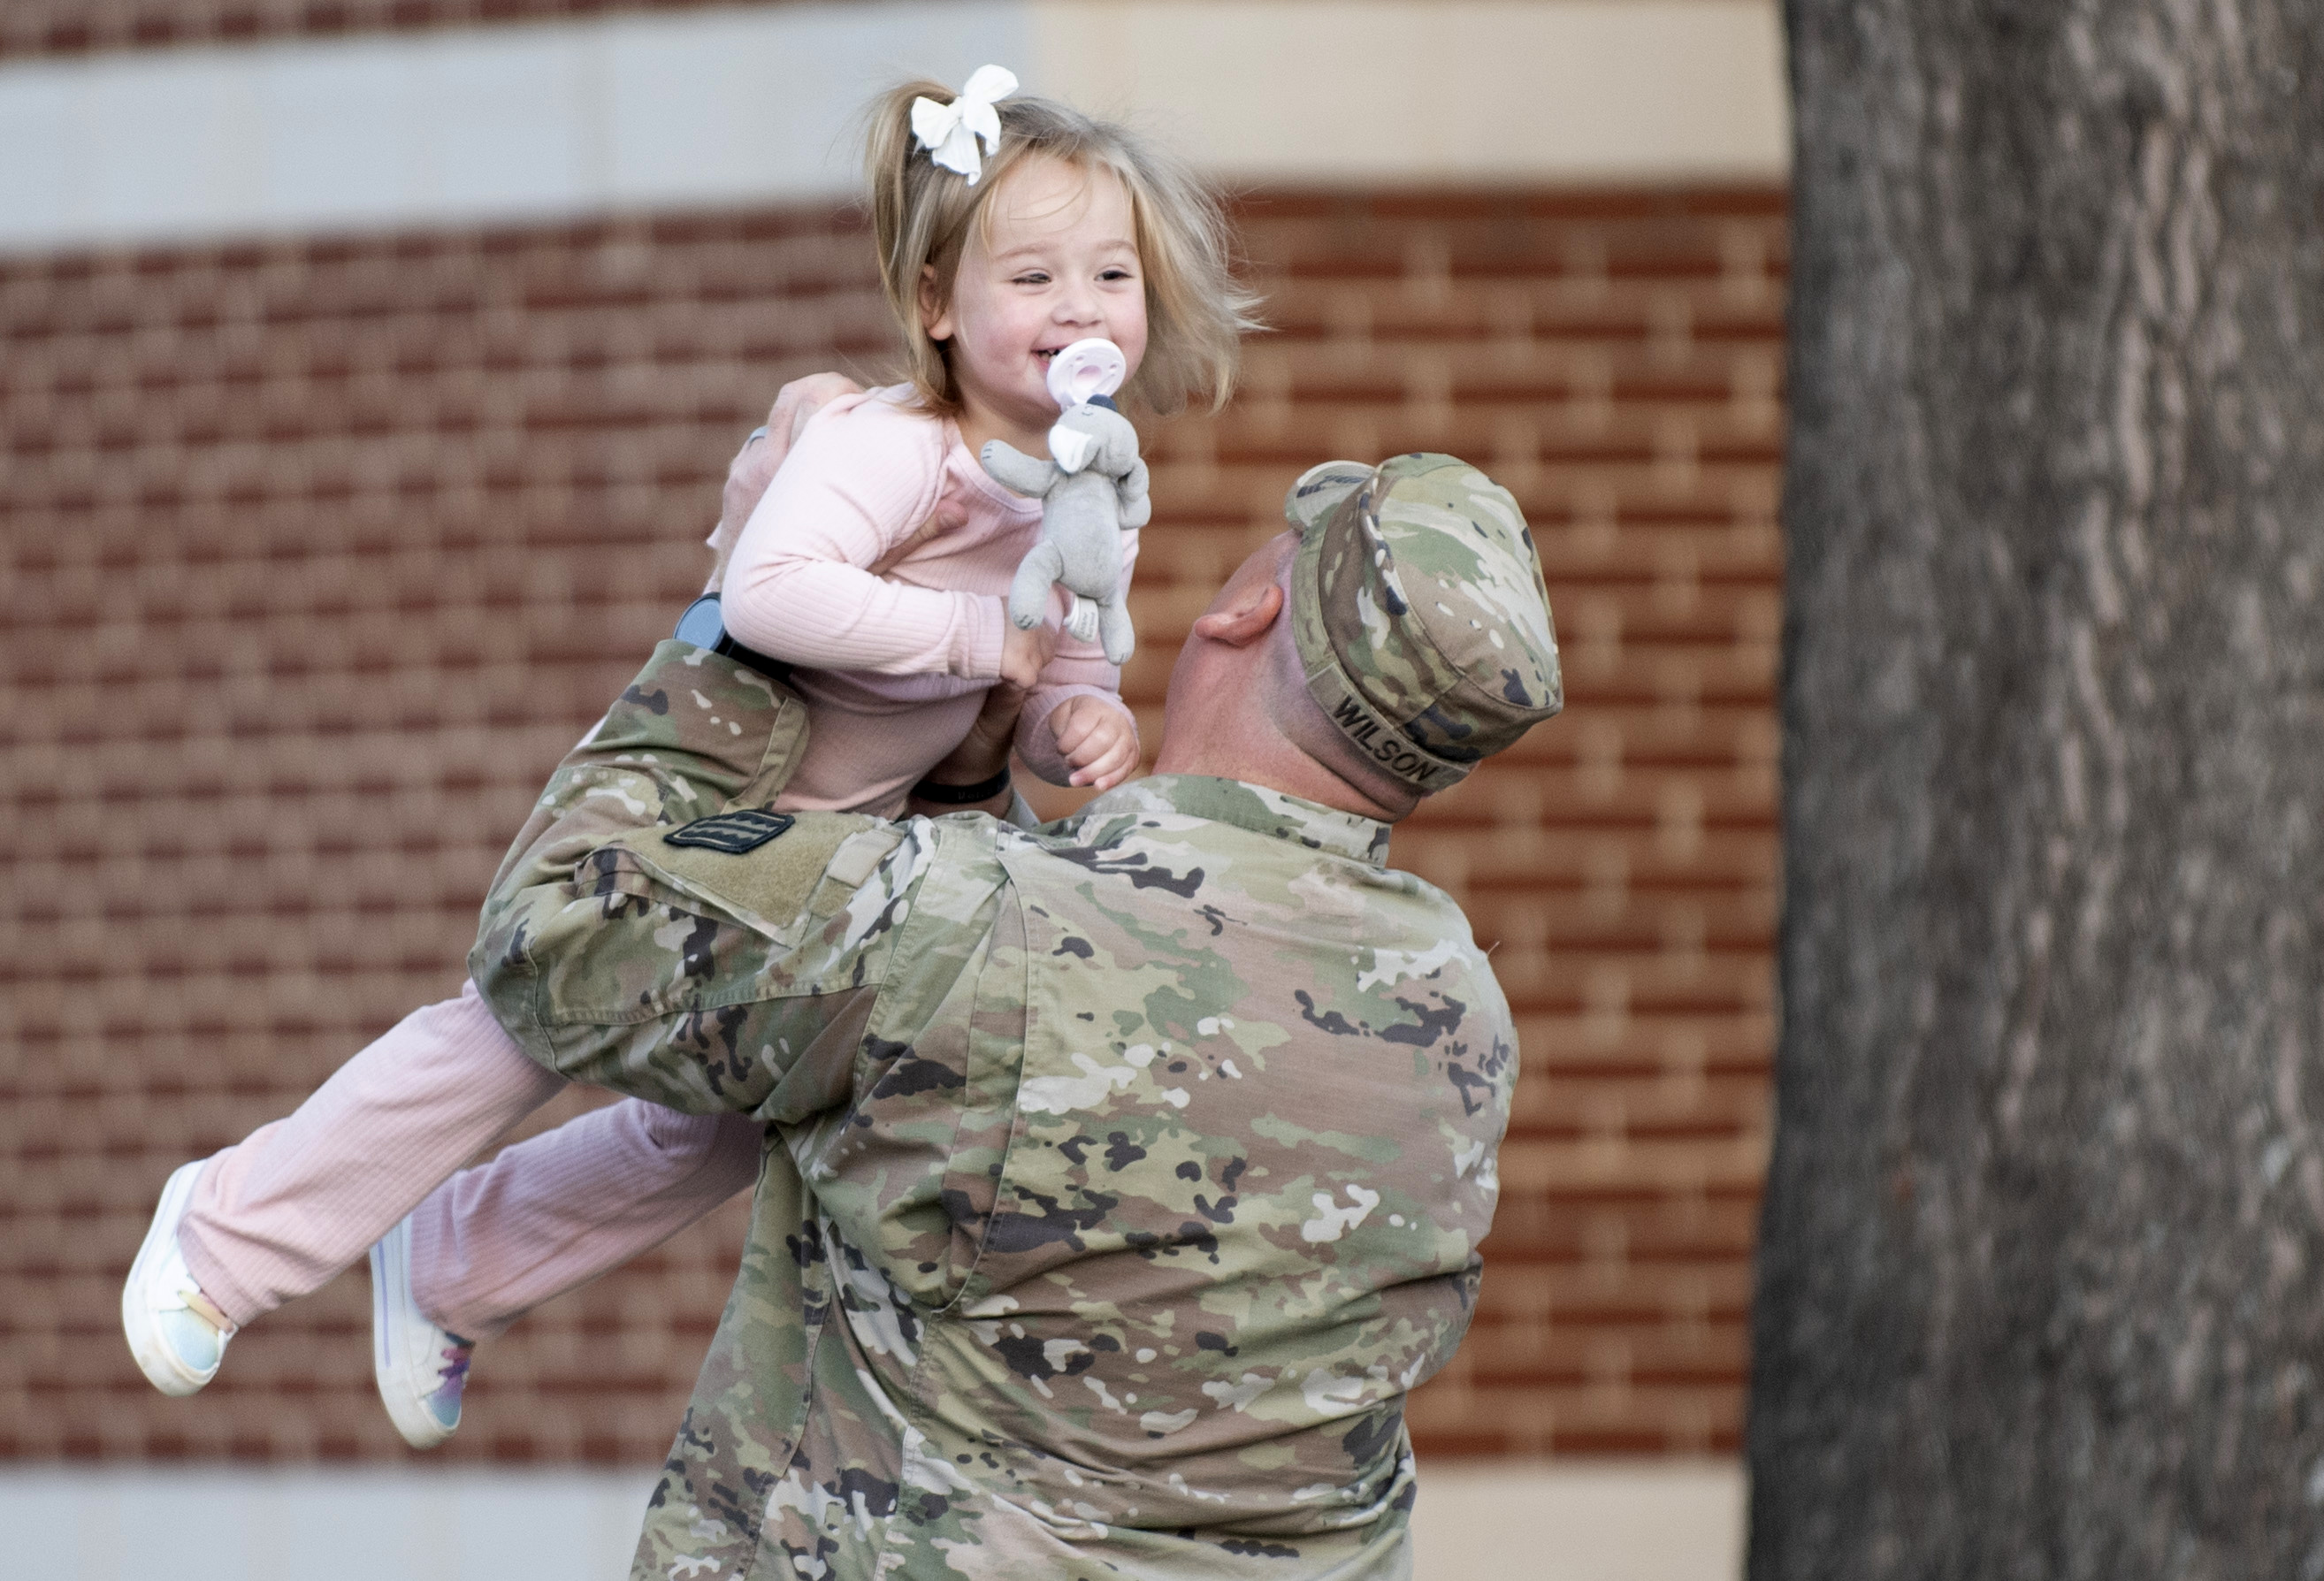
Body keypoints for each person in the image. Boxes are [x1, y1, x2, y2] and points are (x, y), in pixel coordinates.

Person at [121, 68, 1258, 1449]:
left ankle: (453, 1265)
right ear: (938, 308)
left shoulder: (1093, 491)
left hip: (824, 851)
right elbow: (776, 593)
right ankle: (233, 1230)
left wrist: (1087, 728)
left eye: (1108, 274)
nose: (1080, 307)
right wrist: (976, 636)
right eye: (1034, 275)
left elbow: (1063, 674)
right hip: (696, 785)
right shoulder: (892, 446)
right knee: (529, 1010)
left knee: (735, 1117)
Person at [464, 449, 1562, 1577]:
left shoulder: (964, 921)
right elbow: (1114, 1019)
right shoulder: (1456, 1008)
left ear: (1247, 608)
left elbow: (542, 937)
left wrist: (741, 630)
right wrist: (964, 796)